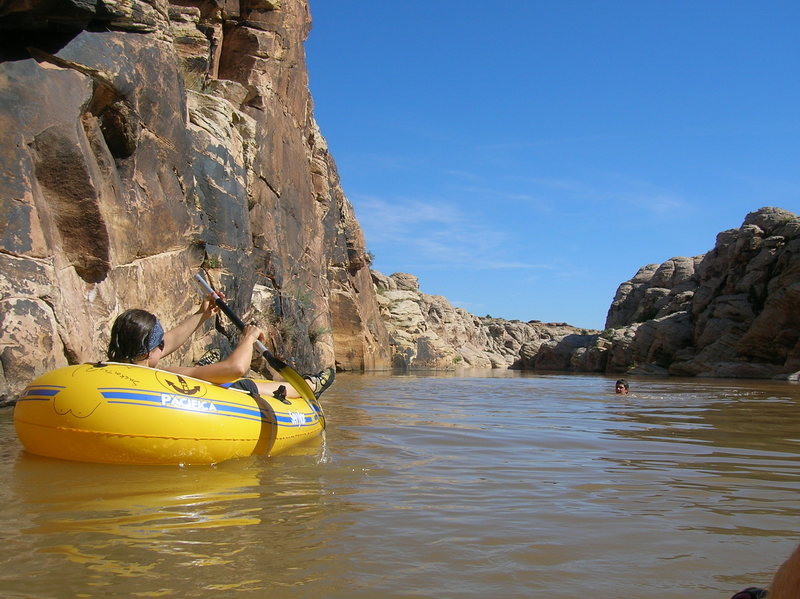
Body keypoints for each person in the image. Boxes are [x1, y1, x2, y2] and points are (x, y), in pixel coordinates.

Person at [106, 297, 334, 400]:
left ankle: (203, 366)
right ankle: (310, 385)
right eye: (161, 345)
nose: (165, 346)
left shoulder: (108, 367)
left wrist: (202, 314)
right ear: (148, 351)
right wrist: (248, 338)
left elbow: (169, 340)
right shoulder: (165, 373)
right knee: (244, 384)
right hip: (224, 383)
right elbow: (236, 368)